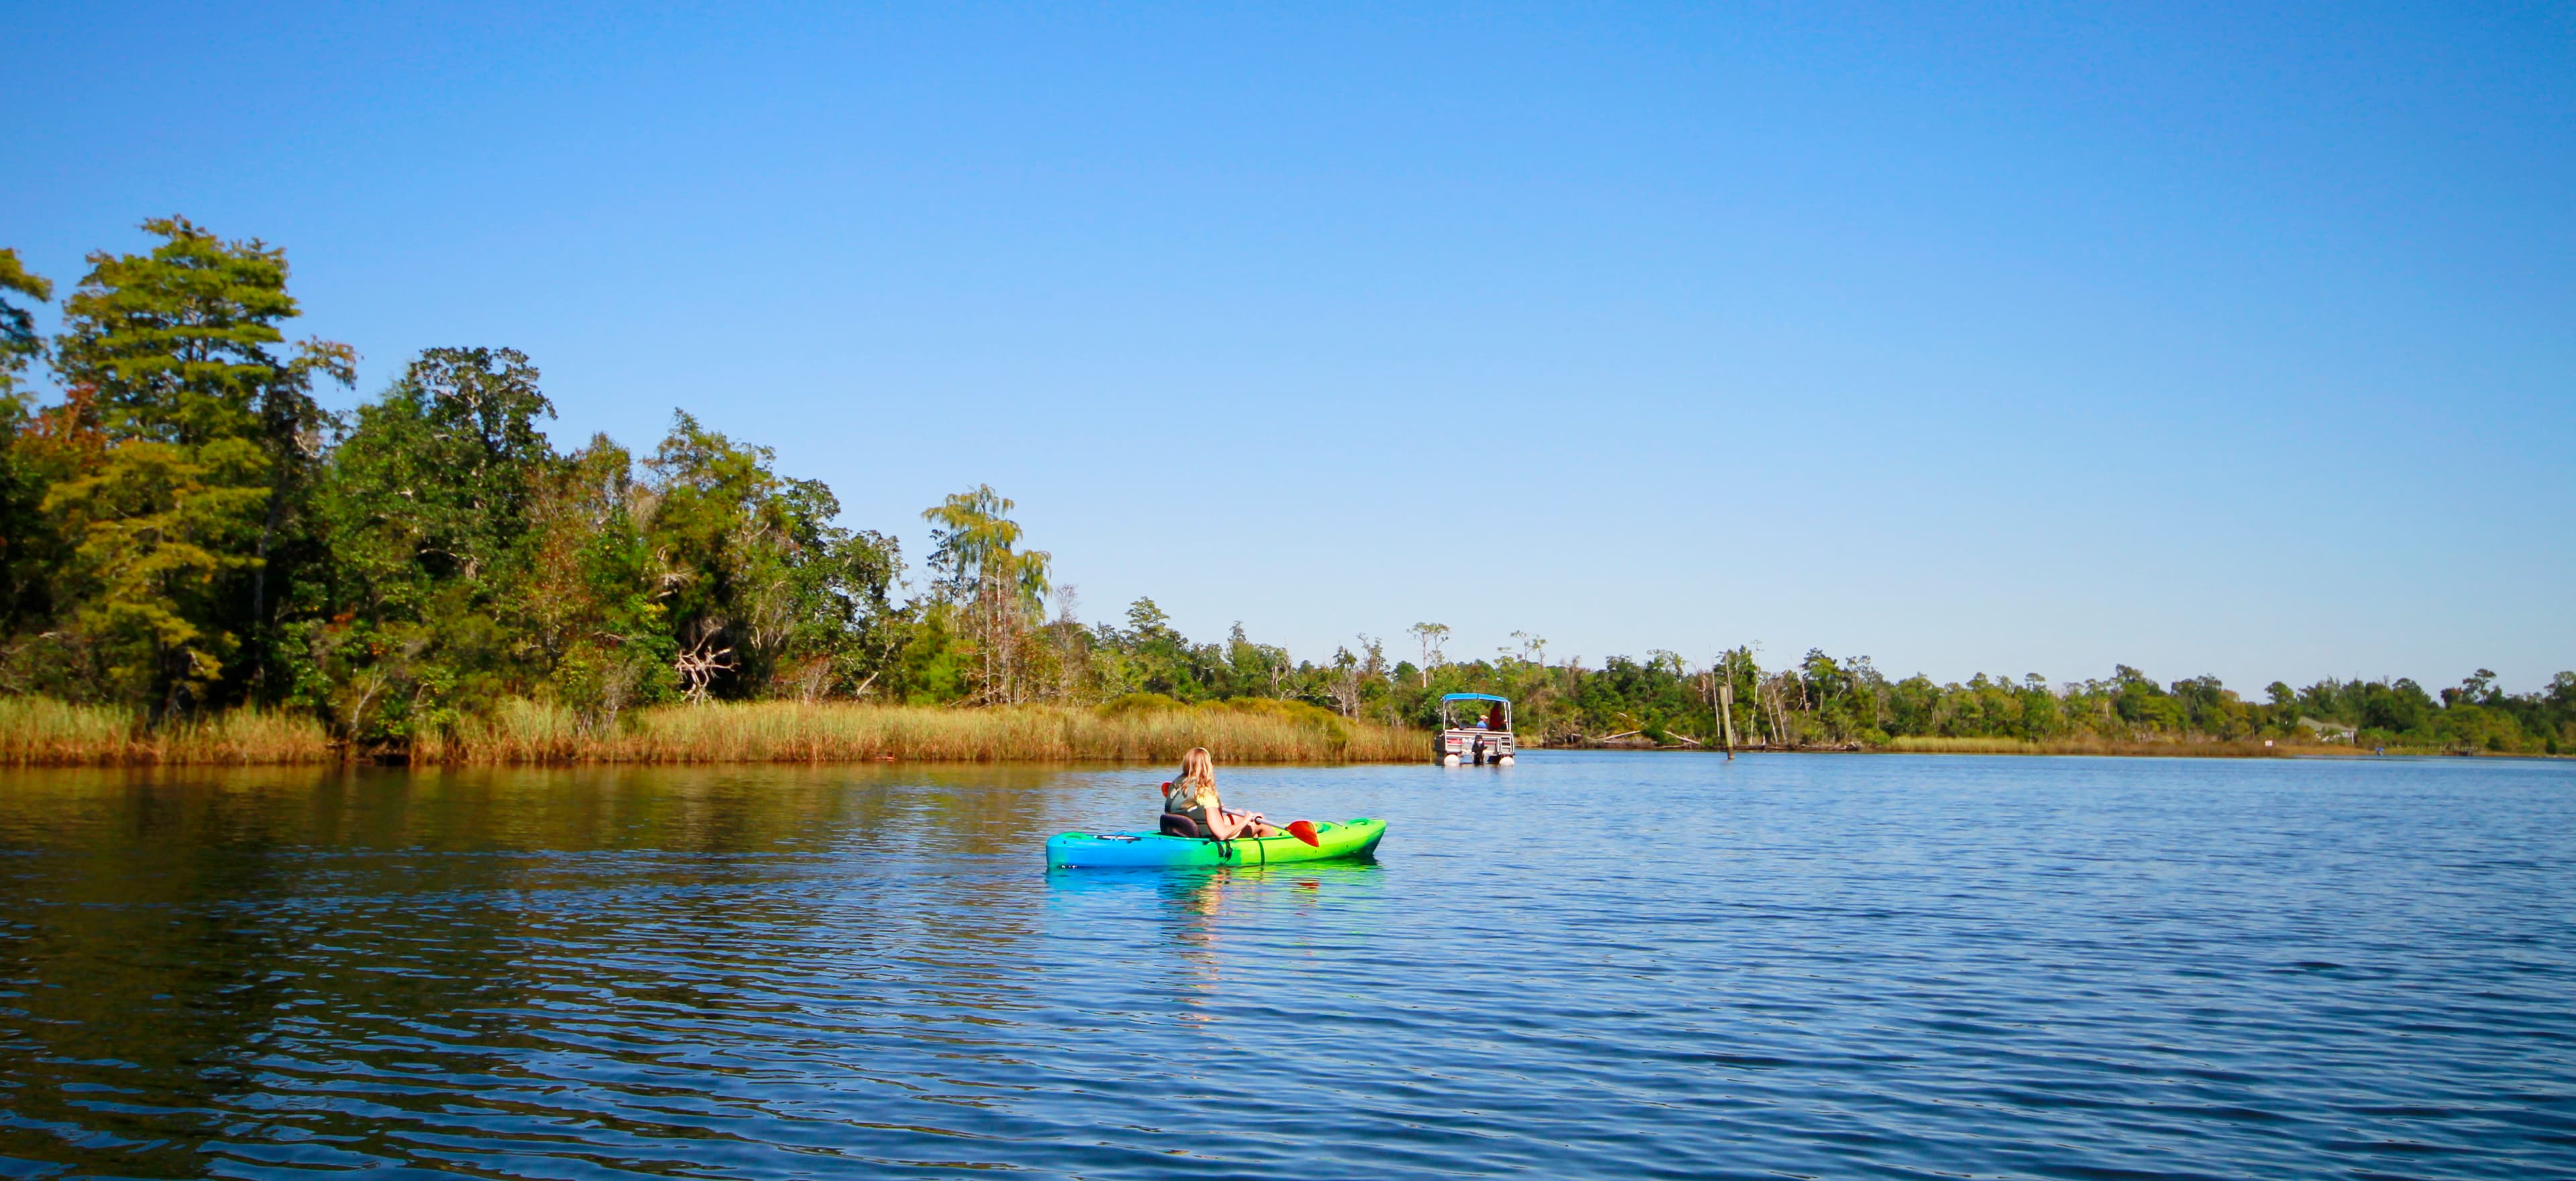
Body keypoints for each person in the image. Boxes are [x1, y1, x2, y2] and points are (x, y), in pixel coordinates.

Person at [1163, 747, 1282, 839]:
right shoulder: (1203, 791)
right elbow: (1221, 834)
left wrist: (1212, 809)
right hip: (1205, 837)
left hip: (1185, 831)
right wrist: (1246, 821)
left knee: (1239, 813)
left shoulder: (1176, 786)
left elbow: (1189, 809)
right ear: (1207, 766)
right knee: (1260, 822)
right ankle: (1282, 847)